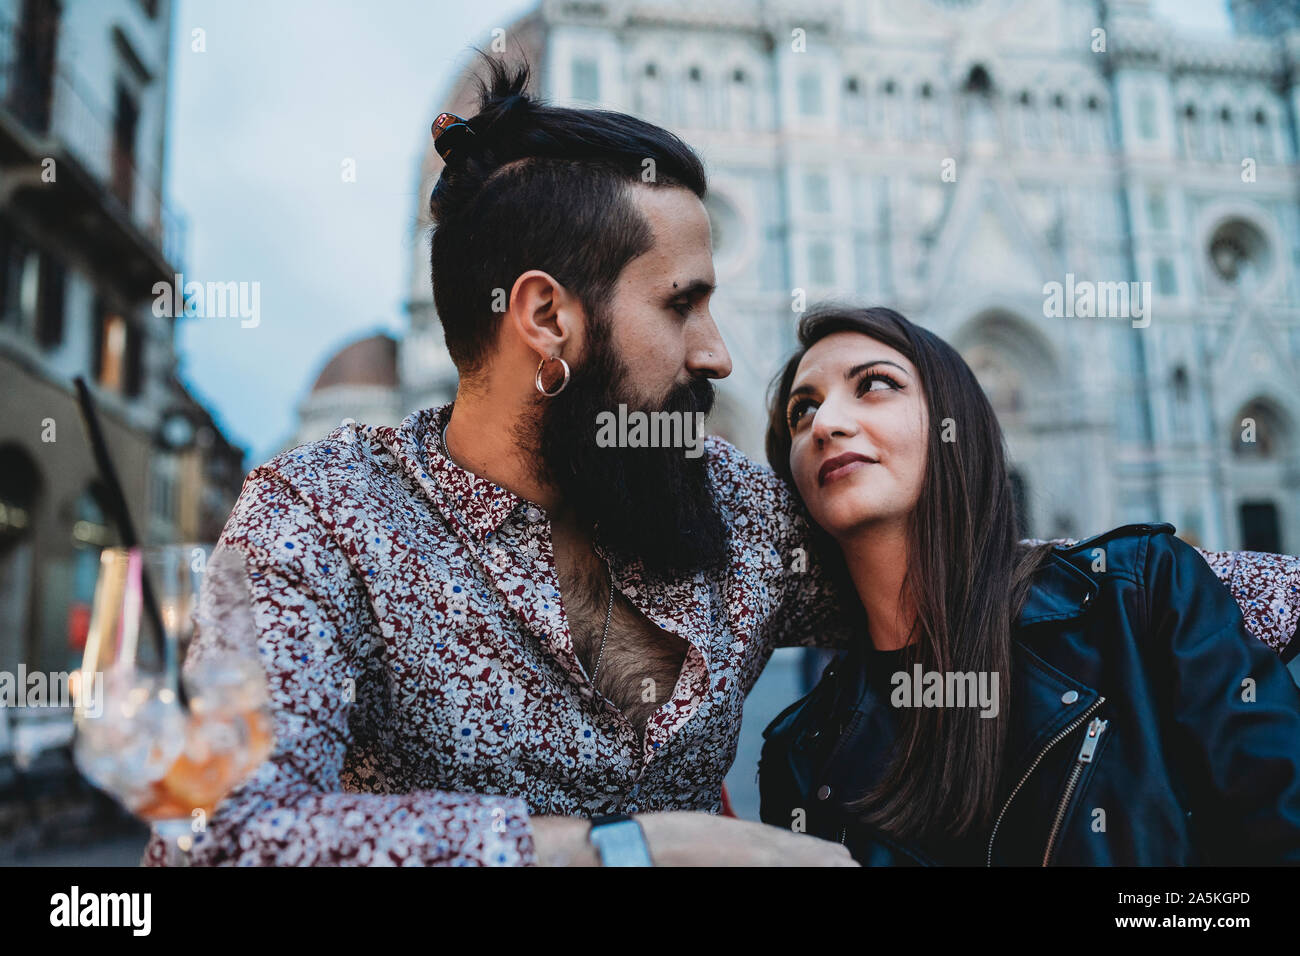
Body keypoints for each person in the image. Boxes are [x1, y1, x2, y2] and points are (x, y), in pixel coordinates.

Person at [143, 62, 1296, 867]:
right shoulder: (324, 511)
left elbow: (1012, 575)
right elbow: (207, 836)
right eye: (682, 302)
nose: (720, 352)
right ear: (546, 318)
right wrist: (628, 851)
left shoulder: (728, 512)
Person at [758, 306, 1300, 865]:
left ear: (957, 425)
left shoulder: (1138, 594)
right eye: (803, 411)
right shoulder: (799, 754)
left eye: (873, 385)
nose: (825, 424)